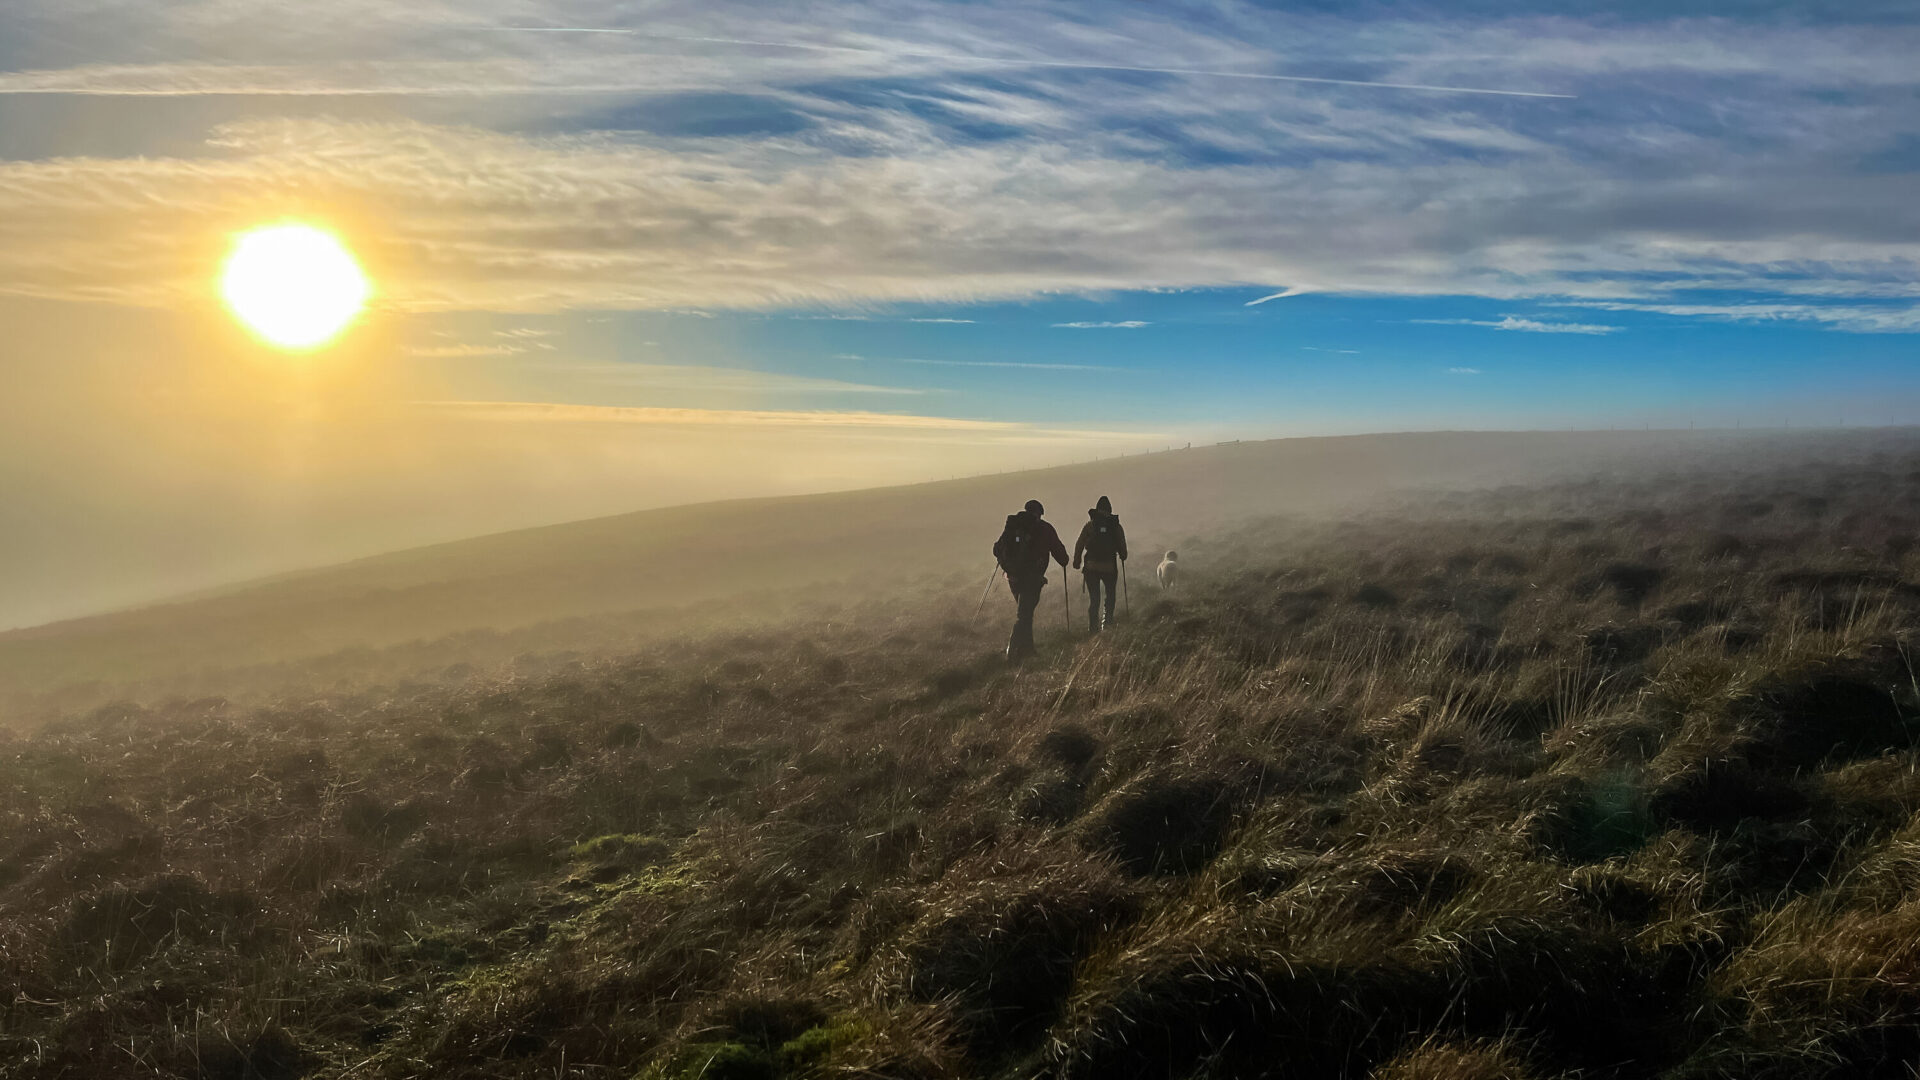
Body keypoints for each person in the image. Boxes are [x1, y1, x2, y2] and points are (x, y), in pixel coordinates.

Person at [992, 499, 1069, 661]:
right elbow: (1059, 553)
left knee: (1025, 613)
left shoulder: (1013, 526)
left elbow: (997, 548)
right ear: (1039, 513)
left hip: (1013, 578)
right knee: (1024, 615)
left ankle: (1028, 649)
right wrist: (1065, 560)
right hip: (1032, 578)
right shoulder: (1045, 528)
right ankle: (1011, 651)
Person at [1073, 495, 1129, 632]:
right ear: (1110, 509)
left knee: (1094, 599)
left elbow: (1079, 543)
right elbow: (1122, 547)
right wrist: (1123, 555)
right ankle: (1107, 623)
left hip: (1091, 567)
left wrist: (1077, 560)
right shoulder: (1115, 526)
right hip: (1109, 567)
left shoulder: (1090, 525)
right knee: (1110, 595)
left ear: (1097, 509)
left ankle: (1093, 627)